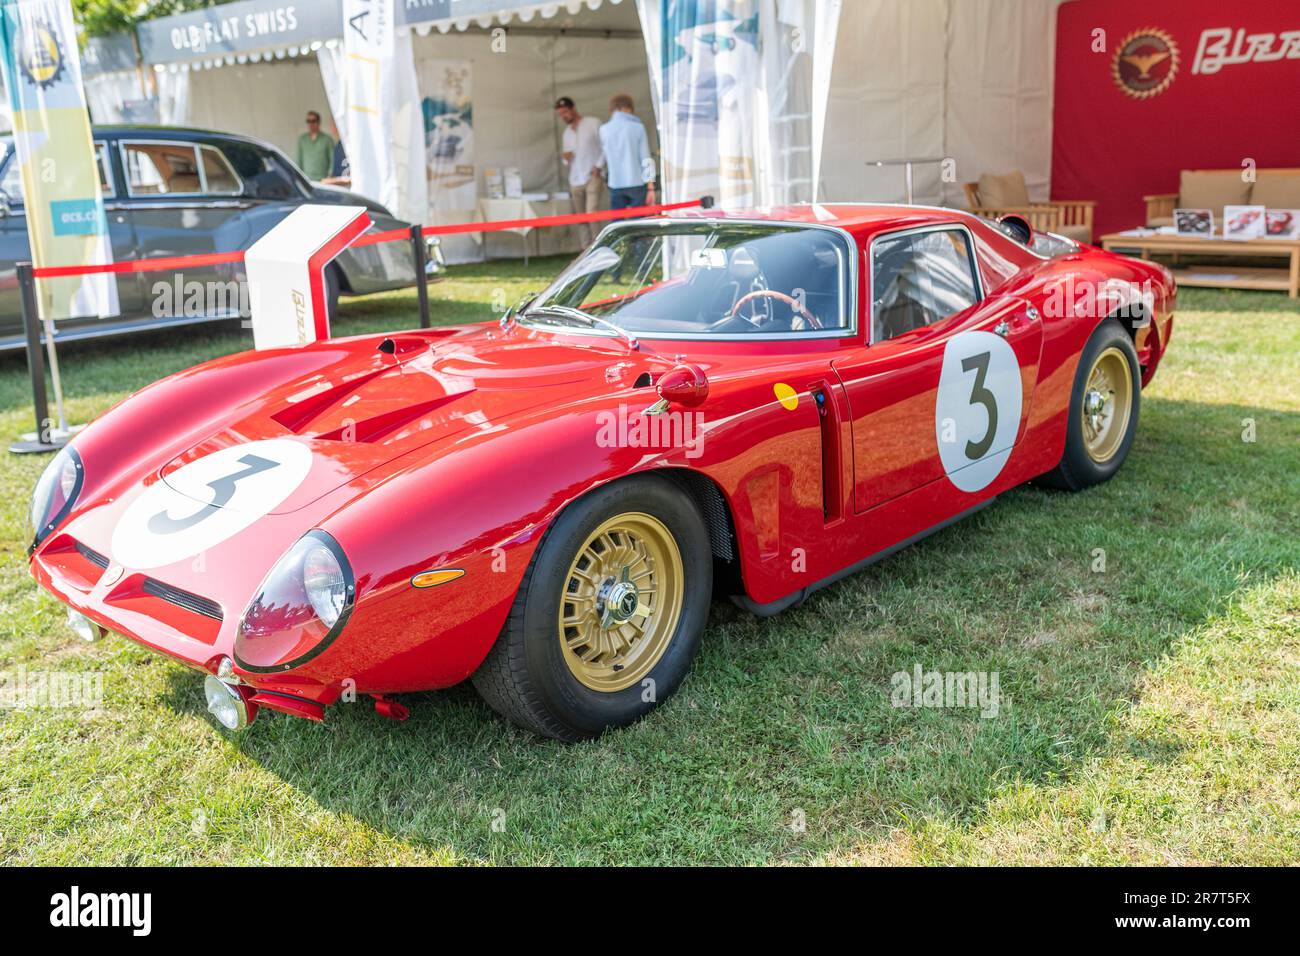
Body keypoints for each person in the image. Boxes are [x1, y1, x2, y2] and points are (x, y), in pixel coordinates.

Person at [555, 96, 604, 247]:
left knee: (592, 212)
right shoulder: (567, 133)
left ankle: (597, 246)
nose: (563, 116)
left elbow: (606, 146)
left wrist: (599, 165)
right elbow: (566, 158)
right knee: (581, 217)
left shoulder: (593, 123)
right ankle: (585, 249)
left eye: (565, 112)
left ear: (573, 109)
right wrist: (566, 158)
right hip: (575, 178)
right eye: (560, 114)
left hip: (592, 175)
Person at [599, 93, 656, 211]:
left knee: (617, 223)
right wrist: (651, 187)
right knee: (638, 224)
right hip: (636, 182)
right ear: (627, 108)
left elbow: (604, 155)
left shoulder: (603, 129)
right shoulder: (637, 127)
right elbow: (646, 158)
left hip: (615, 183)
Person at [296, 111, 334, 181]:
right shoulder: (302, 140)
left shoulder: (327, 139)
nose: (310, 124)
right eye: (308, 121)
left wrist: (330, 175)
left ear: (319, 122)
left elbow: (332, 159)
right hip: (307, 180)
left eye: (313, 121)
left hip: (324, 180)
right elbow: (298, 160)